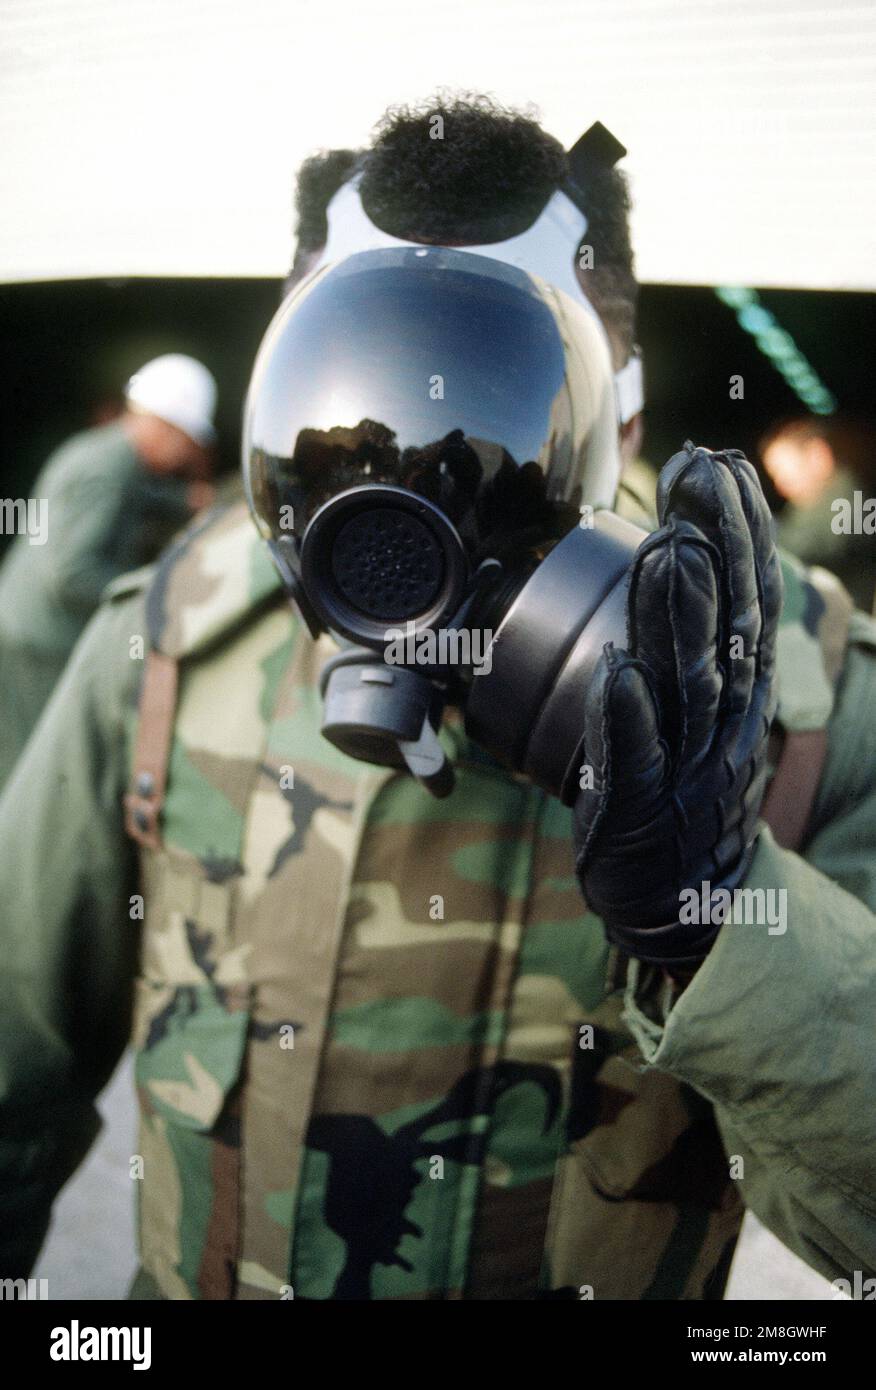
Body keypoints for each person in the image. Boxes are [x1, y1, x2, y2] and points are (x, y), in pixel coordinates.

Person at [0, 95, 874, 1302]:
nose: (418, 498)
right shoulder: (165, 641)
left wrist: (725, 913)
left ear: (623, 391)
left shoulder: (803, 694)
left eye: (489, 395)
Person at [0, 353, 218, 785]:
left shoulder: (111, 454)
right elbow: (72, 575)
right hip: (39, 644)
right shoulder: (109, 468)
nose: (182, 458)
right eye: (184, 443)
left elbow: (139, 496)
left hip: (28, 629)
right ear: (162, 425)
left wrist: (187, 504)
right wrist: (151, 590)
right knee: (33, 774)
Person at [760, 416, 876, 611]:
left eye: (784, 471)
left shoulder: (851, 501)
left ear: (818, 455)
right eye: (775, 476)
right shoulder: (804, 506)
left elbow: (814, 544)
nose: (780, 485)